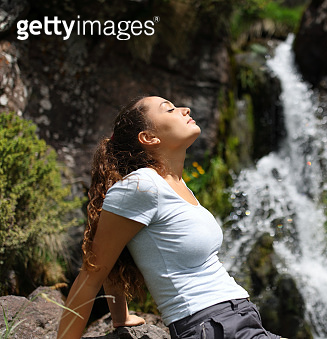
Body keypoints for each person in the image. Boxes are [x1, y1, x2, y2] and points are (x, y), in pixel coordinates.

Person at [57, 95, 281, 338]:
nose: (185, 109)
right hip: (210, 324)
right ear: (149, 138)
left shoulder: (176, 184)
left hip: (239, 317)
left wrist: (121, 318)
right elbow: (93, 273)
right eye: (170, 109)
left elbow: (115, 260)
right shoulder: (141, 185)